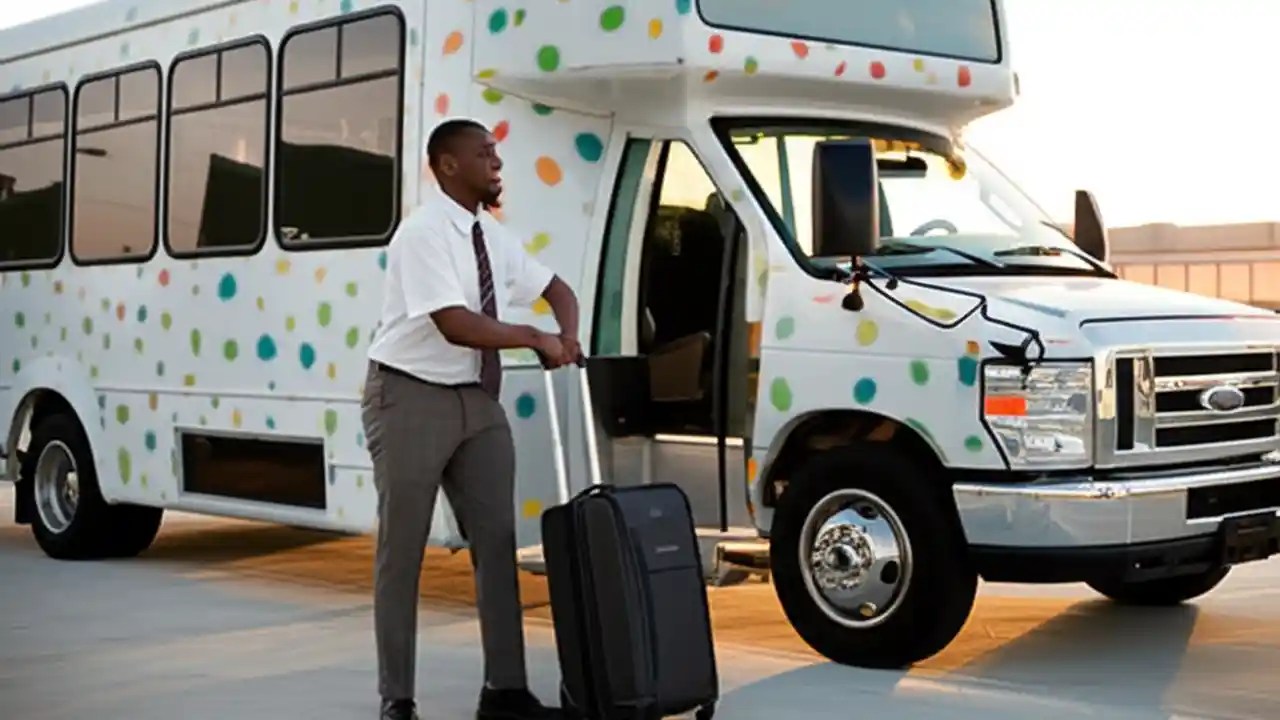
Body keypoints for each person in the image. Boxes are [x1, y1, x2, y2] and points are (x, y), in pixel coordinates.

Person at [361, 117, 581, 720]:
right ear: (448, 165)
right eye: (485, 154)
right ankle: (397, 701)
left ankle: (504, 692)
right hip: (408, 396)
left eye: (497, 153)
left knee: (497, 540)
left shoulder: (492, 235)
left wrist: (567, 334)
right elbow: (455, 324)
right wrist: (535, 338)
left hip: (474, 399)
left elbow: (558, 287)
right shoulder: (423, 233)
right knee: (401, 552)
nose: (497, 163)